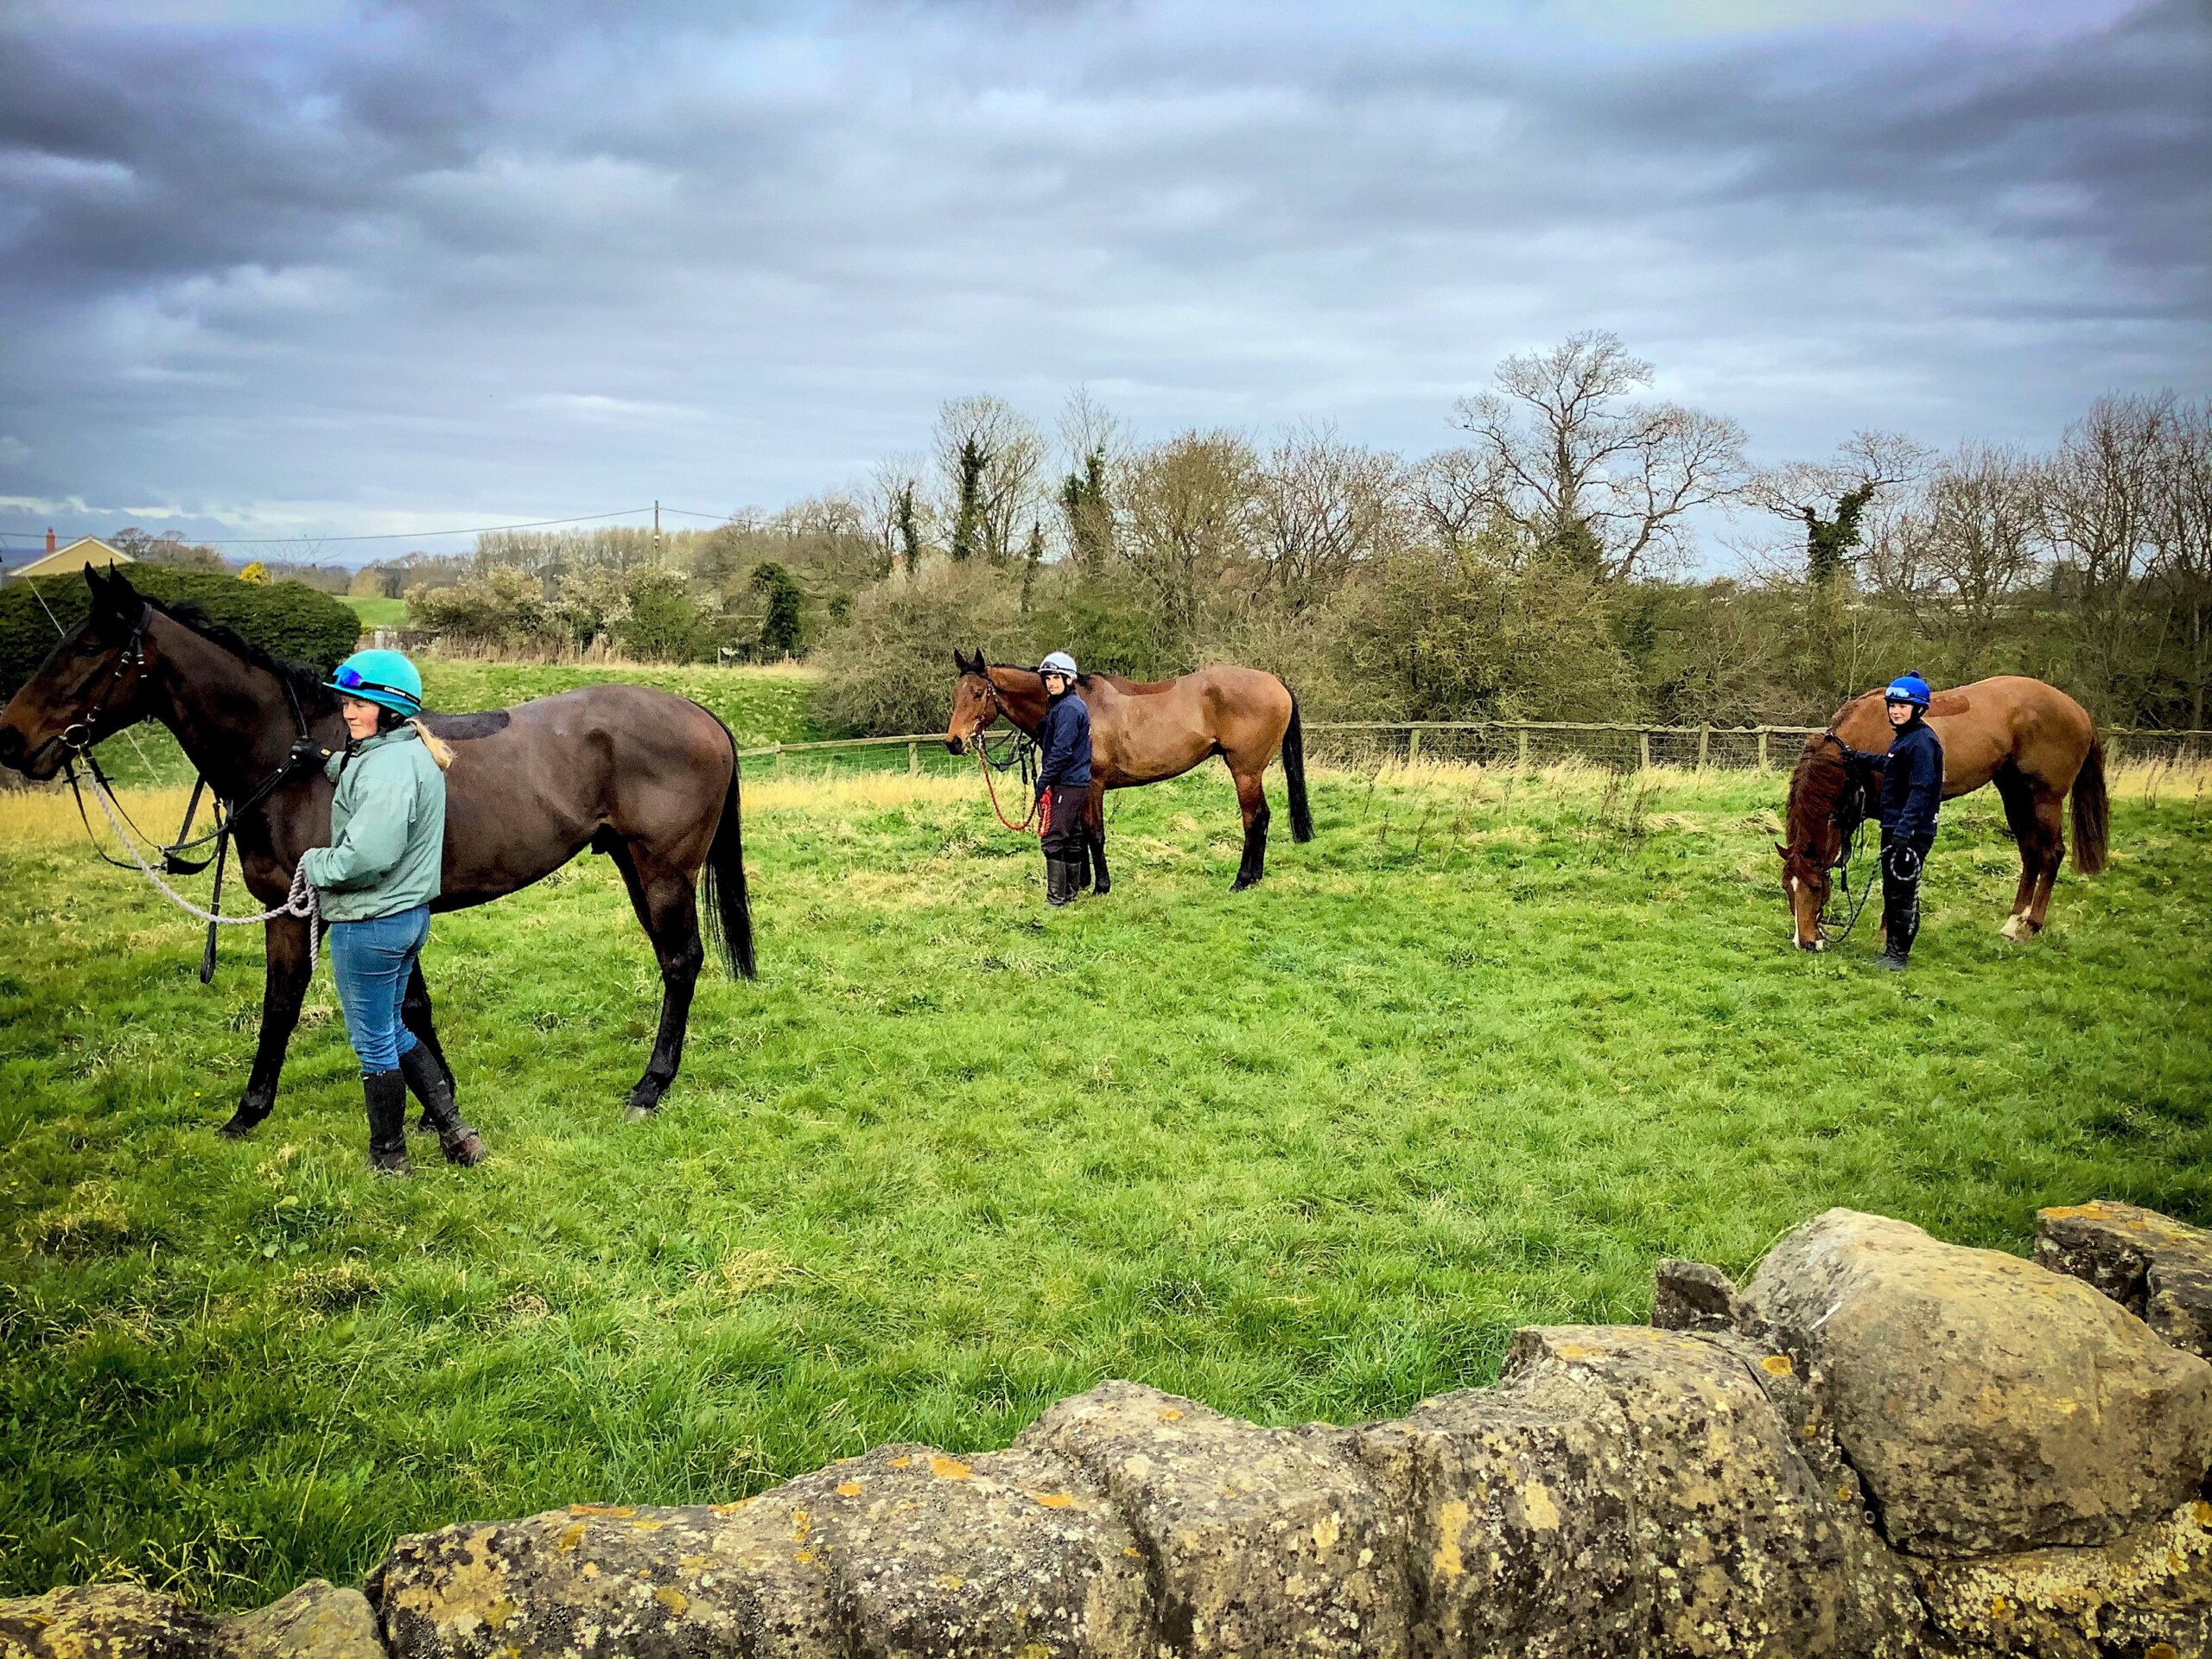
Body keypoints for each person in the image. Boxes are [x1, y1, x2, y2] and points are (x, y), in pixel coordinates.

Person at [302, 649, 486, 1173]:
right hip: (406, 919)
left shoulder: (387, 769)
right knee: (396, 1029)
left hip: (370, 923)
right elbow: (372, 773)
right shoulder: (410, 753)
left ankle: (389, 1158)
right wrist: (328, 763)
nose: (348, 711)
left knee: (374, 1043)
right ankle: (457, 1134)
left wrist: (316, 864)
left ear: (389, 709)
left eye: (360, 704)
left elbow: (367, 855)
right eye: (346, 701)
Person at [1868, 671, 1944, 972]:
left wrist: (1904, 829)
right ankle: (1892, 951)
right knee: (1893, 888)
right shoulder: (1905, 740)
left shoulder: (1923, 743)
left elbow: (1921, 789)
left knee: (1903, 890)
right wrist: (1856, 757)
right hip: (1896, 827)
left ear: (1919, 709)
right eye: (1892, 706)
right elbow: (1890, 765)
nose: (1896, 711)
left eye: (1903, 707)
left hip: (1910, 830)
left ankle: (1898, 956)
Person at [1033, 650, 1092, 906]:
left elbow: (1061, 751)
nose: (1051, 682)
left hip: (1067, 782)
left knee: (1054, 837)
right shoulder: (1065, 707)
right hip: (1075, 781)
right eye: (1047, 678)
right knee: (1072, 835)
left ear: (1069, 679)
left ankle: (1056, 899)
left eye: (1056, 677)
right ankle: (1069, 893)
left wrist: (1043, 781)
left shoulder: (1068, 709)